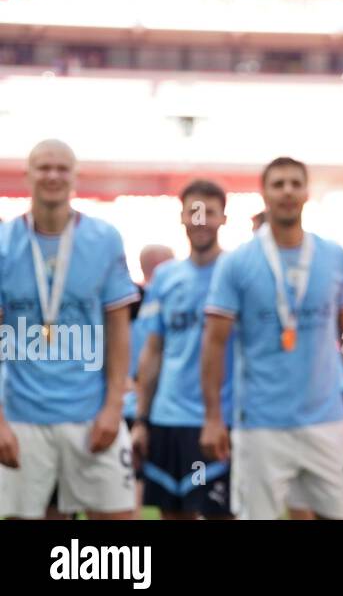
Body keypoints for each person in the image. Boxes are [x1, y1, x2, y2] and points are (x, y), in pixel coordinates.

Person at [199, 157, 343, 520]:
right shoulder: (237, 262)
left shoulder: (333, 256)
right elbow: (215, 344)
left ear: (307, 192)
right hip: (261, 424)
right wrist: (214, 417)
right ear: (263, 193)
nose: (287, 191)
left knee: (342, 515)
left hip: (326, 418)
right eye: (278, 184)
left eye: (295, 183)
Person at [0, 139, 139, 520]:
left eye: (62, 168)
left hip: (91, 414)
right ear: (27, 175)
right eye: (44, 167)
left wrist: (113, 408)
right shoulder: (4, 243)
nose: (53, 175)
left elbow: (118, 329)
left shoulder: (104, 238)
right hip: (23, 417)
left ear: (75, 176)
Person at [131, 180, 235, 519]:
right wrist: (143, 420)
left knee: (222, 513)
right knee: (173, 514)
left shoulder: (238, 272)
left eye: (210, 212)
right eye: (194, 211)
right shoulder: (165, 278)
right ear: (182, 218)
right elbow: (154, 351)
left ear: (223, 218)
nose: (201, 219)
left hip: (222, 419)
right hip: (168, 419)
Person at [125, 243, 173, 516]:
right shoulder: (135, 305)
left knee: (138, 479)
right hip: (146, 406)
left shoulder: (134, 305)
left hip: (145, 405)